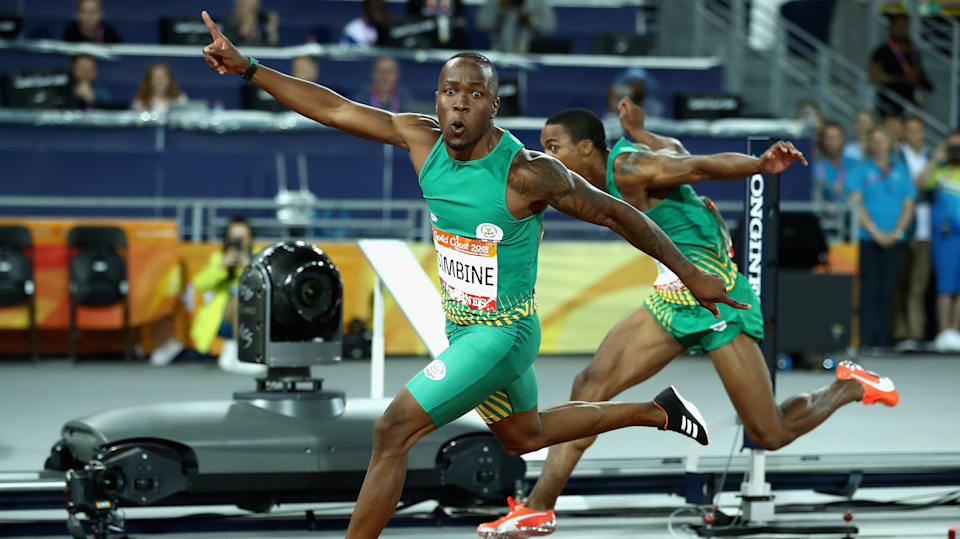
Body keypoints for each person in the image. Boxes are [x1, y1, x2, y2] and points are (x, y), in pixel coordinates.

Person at [201, 12, 750, 538]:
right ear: (437, 96)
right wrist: (249, 68)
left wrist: (691, 275)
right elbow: (335, 109)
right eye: (449, 92)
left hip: (503, 333)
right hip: (464, 328)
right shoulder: (423, 141)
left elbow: (617, 212)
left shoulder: (529, 174)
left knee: (393, 430)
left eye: (475, 95)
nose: (459, 105)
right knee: (522, 436)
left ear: (494, 106)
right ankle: (656, 411)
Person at [477, 101, 900, 538]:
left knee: (769, 432)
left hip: (716, 297)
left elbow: (697, 165)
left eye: (554, 146)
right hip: (673, 291)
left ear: (586, 148)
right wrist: (641, 130)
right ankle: (538, 507)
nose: (546, 157)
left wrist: (758, 164)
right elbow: (673, 146)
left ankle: (851, 385)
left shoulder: (629, 169)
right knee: (589, 386)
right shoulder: (611, 167)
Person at [847, 127, 916, 350]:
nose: (879, 145)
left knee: (889, 289)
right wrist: (875, 231)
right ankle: (867, 339)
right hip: (868, 238)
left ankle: (886, 338)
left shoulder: (902, 170)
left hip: (895, 240)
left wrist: (895, 233)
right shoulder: (861, 170)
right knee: (869, 288)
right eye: (874, 141)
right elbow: (856, 204)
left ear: (890, 143)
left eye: (883, 140)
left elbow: (908, 206)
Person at [187, 216, 264, 374]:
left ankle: (237, 351)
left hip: (256, 316)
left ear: (250, 239)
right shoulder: (218, 259)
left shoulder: (259, 259)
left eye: (242, 237)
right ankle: (242, 352)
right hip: (221, 319)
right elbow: (200, 284)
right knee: (239, 301)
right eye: (234, 238)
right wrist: (222, 267)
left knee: (242, 300)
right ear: (228, 239)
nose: (239, 242)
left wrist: (247, 266)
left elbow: (264, 285)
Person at [893, 116, 932, 349]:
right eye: (911, 131)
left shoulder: (927, 156)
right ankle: (899, 332)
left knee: (918, 284)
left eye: (919, 130)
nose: (915, 135)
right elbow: (915, 186)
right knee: (900, 283)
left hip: (927, 229)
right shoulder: (898, 158)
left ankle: (915, 333)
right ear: (905, 134)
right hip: (903, 226)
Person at [919, 132, 960, 352]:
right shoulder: (940, 173)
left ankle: (956, 331)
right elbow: (921, 183)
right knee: (945, 286)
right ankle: (944, 332)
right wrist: (936, 158)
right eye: (952, 148)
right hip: (946, 237)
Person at [868, 13, 933, 115]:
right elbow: (873, 76)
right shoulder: (882, 51)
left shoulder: (913, 51)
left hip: (910, 103)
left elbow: (920, 74)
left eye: (906, 26)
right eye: (900, 26)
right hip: (889, 101)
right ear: (892, 28)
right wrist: (900, 78)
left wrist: (917, 78)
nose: (903, 30)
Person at [475, 0, 556, 53]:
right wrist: (500, 11)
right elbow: (481, 24)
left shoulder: (538, 2)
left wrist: (530, 19)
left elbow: (549, 26)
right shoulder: (496, 2)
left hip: (529, 55)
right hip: (499, 54)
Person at [812, 121, 859, 204]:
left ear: (843, 140)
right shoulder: (815, 167)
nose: (832, 142)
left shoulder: (855, 165)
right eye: (828, 138)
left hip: (848, 213)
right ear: (823, 141)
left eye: (835, 138)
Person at [351, 56, 415, 113]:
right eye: (381, 71)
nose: (385, 77)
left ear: (397, 75)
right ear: (373, 74)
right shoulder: (359, 101)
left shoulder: (407, 99)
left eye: (390, 72)